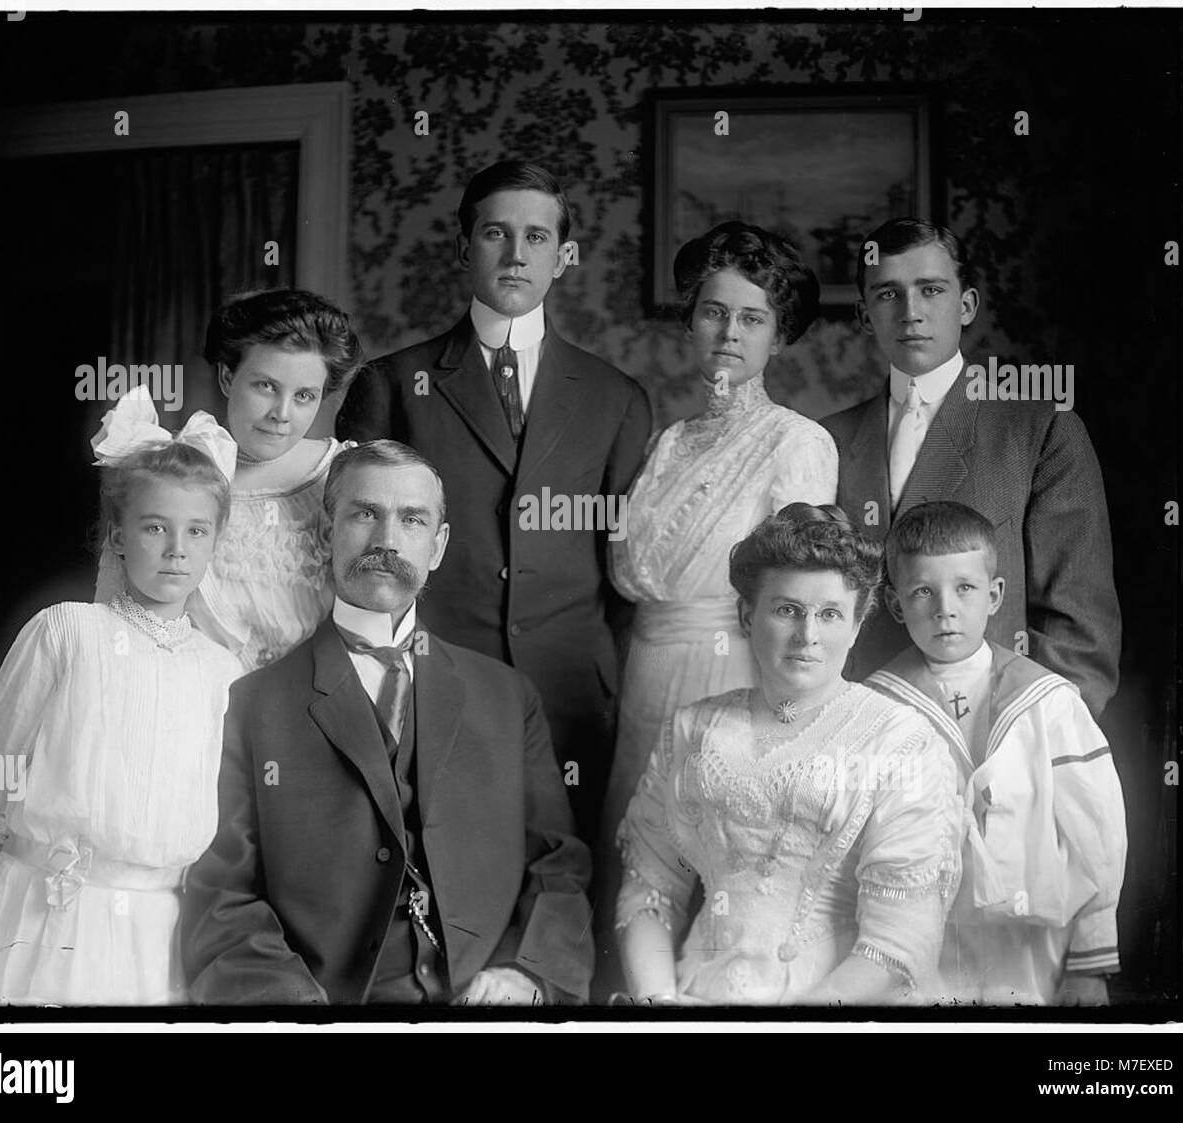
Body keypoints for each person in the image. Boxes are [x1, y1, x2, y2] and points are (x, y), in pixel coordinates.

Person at [181, 441, 594, 1005]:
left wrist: (527, 973)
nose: (387, 541)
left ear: (439, 545)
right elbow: (222, 898)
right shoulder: (252, 705)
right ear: (327, 533)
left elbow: (559, 863)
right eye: (365, 514)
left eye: (413, 519)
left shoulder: (505, 695)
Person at [336, 161, 652, 843]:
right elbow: (356, 558)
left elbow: (626, 570)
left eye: (537, 237)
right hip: (430, 681)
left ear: (563, 256)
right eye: (496, 234)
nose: (516, 255)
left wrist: (604, 678)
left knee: (564, 885)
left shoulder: (615, 397)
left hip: (571, 692)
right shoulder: (393, 384)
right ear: (464, 246)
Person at [597, 221, 836, 987]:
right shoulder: (666, 442)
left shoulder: (797, 442)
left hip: (732, 679)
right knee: (637, 870)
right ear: (690, 320)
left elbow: (795, 595)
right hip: (646, 675)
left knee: (722, 880)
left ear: (778, 334)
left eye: (752, 317)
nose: (728, 332)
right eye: (713, 311)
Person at [615, 504, 961, 1005]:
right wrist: (657, 1006)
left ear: (858, 624)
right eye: (786, 610)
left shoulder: (901, 740)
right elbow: (649, 889)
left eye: (830, 614)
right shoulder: (692, 729)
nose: (808, 636)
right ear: (745, 614)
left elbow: (897, 943)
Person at [0, 392, 242, 1004]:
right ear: (118, 536)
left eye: (196, 531)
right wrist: (31, 875)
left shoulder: (221, 670)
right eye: (155, 527)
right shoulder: (68, 630)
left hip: (159, 932)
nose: (176, 548)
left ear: (214, 542)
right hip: (44, 913)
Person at [820, 218, 1120, 716]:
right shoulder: (828, 439)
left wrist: (1034, 746)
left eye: (931, 290)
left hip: (995, 732)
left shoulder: (1040, 428)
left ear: (966, 306)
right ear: (865, 314)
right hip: (863, 737)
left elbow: (1079, 628)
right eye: (888, 294)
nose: (911, 312)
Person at [866, 501, 1127, 1005]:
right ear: (896, 605)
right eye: (923, 591)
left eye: (964, 587)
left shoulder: (1048, 703)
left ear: (994, 595)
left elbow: (1097, 833)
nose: (945, 608)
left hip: (1030, 946)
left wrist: (1089, 962)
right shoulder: (876, 706)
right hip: (919, 946)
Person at [96, 288, 363, 671]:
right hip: (196, 702)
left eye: (304, 396)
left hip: (312, 704)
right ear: (226, 376)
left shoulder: (344, 475)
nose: (282, 414)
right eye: (266, 386)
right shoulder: (172, 475)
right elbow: (118, 611)